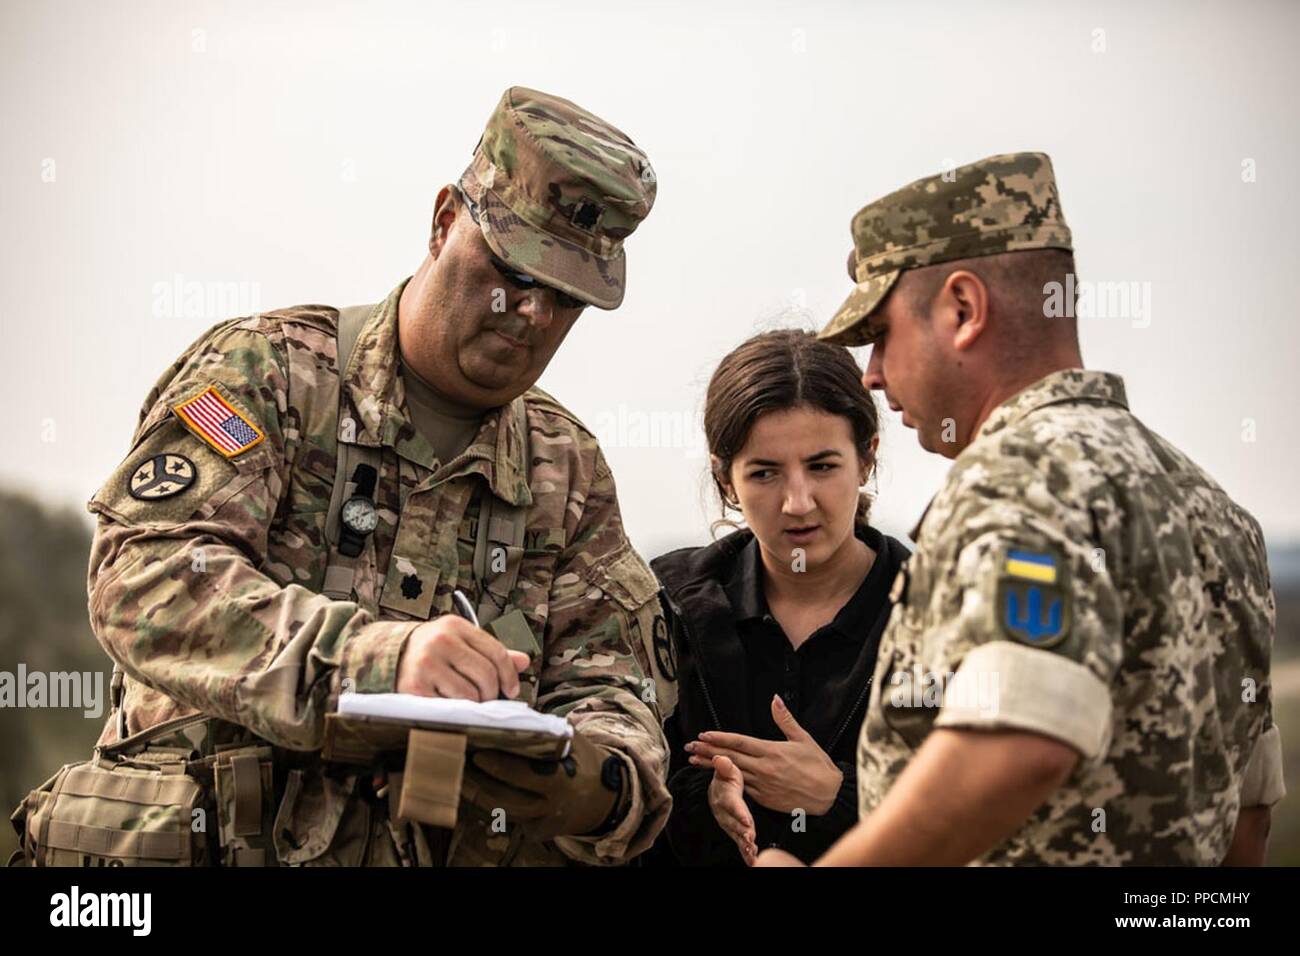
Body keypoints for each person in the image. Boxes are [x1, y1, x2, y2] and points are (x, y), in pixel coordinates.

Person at [70, 87, 672, 866]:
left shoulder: (568, 470)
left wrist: (591, 783)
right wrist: (379, 661)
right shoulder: (270, 376)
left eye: (565, 299)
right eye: (511, 272)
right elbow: (145, 581)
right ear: (444, 221)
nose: (530, 313)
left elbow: (614, 687)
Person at [758, 152, 1284, 866]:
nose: (873, 374)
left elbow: (1018, 741)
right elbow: (1247, 822)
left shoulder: (1022, 475)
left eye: (882, 334)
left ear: (964, 310)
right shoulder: (1215, 512)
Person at [648, 330, 909, 865]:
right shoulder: (665, 602)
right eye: (764, 472)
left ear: (866, 460)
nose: (797, 502)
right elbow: (619, 777)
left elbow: (985, 799)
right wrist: (706, 801)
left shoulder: (938, 606)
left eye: (822, 466)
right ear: (726, 480)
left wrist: (839, 795)